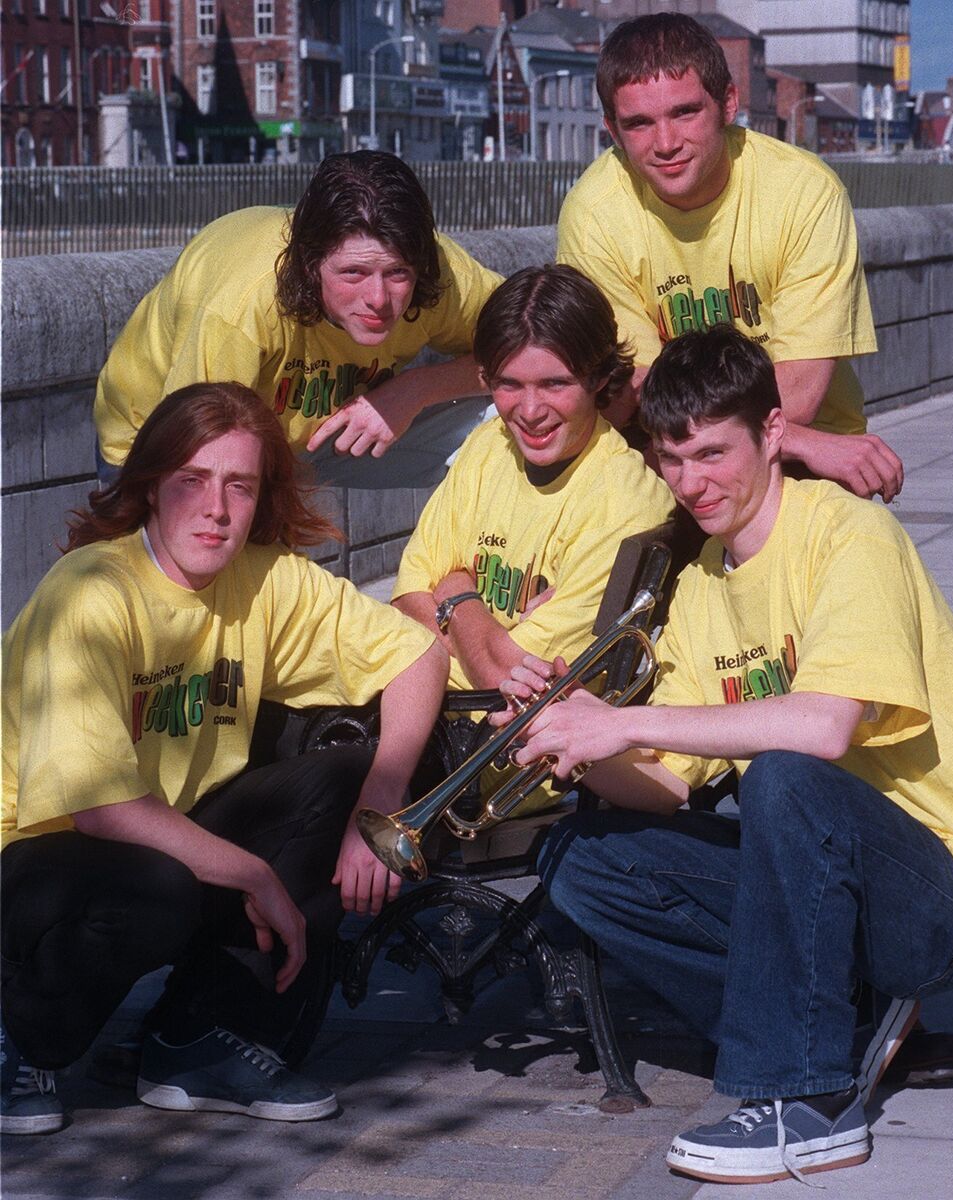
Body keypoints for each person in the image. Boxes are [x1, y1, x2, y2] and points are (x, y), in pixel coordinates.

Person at [500, 326, 953, 1183]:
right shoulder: (703, 584)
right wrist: (571, 728)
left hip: (939, 893)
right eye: (671, 459)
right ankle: (840, 1020)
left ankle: (806, 1100)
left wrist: (627, 723)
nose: (692, 482)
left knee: (788, 776)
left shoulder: (847, 535)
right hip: (826, 883)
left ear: (774, 435)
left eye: (713, 453)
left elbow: (826, 727)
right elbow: (662, 791)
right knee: (579, 860)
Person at [1, 382, 448, 1135]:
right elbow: (100, 805)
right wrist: (254, 873)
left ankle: (193, 1043)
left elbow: (415, 656)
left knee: (354, 775)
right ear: (147, 489)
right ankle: (23, 1038)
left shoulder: (262, 579)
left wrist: (379, 803)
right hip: (34, 859)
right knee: (158, 885)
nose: (216, 508)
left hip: (163, 842)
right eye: (192, 482)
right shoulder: (90, 593)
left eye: (239, 485)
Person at [557, 13, 904, 505]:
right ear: (612, 129)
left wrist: (799, 442)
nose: (666, 143)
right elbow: (634, 390)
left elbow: (799, 394)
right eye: (639, 123)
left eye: (684, 113)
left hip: (798, 455)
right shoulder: (594, 213)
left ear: (728, 104)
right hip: (674, 453)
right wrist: (796, 441)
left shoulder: (803, 193)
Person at [94, 152, 502, 490]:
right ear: (310, 265)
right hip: (162, 446)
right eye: (353, 274)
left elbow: (549, 350)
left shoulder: (443, 272)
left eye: (398, 274)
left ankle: (493, 565)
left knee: (516, 415)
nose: (379, 300)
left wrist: (414, 391)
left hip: (323, 432)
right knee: (211, 567)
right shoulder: (243, 306)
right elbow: (192, 467)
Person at [391, 264, 674, 710]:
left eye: (554, 384)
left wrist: (454, 593)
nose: (529, 411)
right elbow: (407, 597)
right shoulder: (489, 443)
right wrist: (482, 632)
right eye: (509, 384)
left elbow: (510, 683)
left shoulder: (628, 502)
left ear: (600, 377)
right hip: (428, 713)